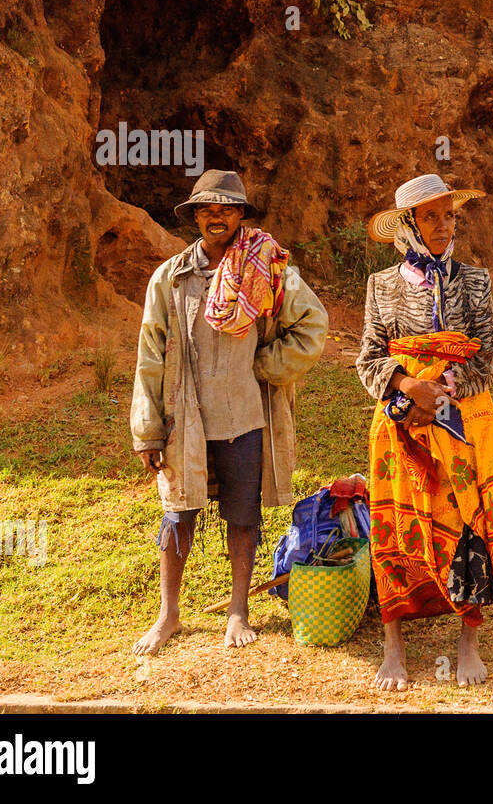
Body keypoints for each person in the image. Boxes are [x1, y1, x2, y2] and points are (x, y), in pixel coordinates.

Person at [131, 170, 328, 654]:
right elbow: (150, 353)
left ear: (240, 215)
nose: (215, 217)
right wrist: (148, 430)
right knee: (178, 514)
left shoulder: (269, 269)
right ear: (195, 217)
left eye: (226, 209)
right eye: (206, 209)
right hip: (184, 419)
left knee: (243, 515)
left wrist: (266, 365)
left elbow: (312, 325)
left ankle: (238, 610)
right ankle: (168, 614)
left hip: (244, 415)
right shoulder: (171, 277)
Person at [357, 174, 493, 690]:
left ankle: (468, 638)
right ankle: (393, 644)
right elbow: (368, 360)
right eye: (431, 217)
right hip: (400, 423)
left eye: (450, 215)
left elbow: (489, 356)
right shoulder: (381, 286)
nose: (445, 225)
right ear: (408, 224)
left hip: (464, 419)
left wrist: (439, 391)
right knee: (397, 522)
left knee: (467, 518)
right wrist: (409, 391)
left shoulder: (475, 280)